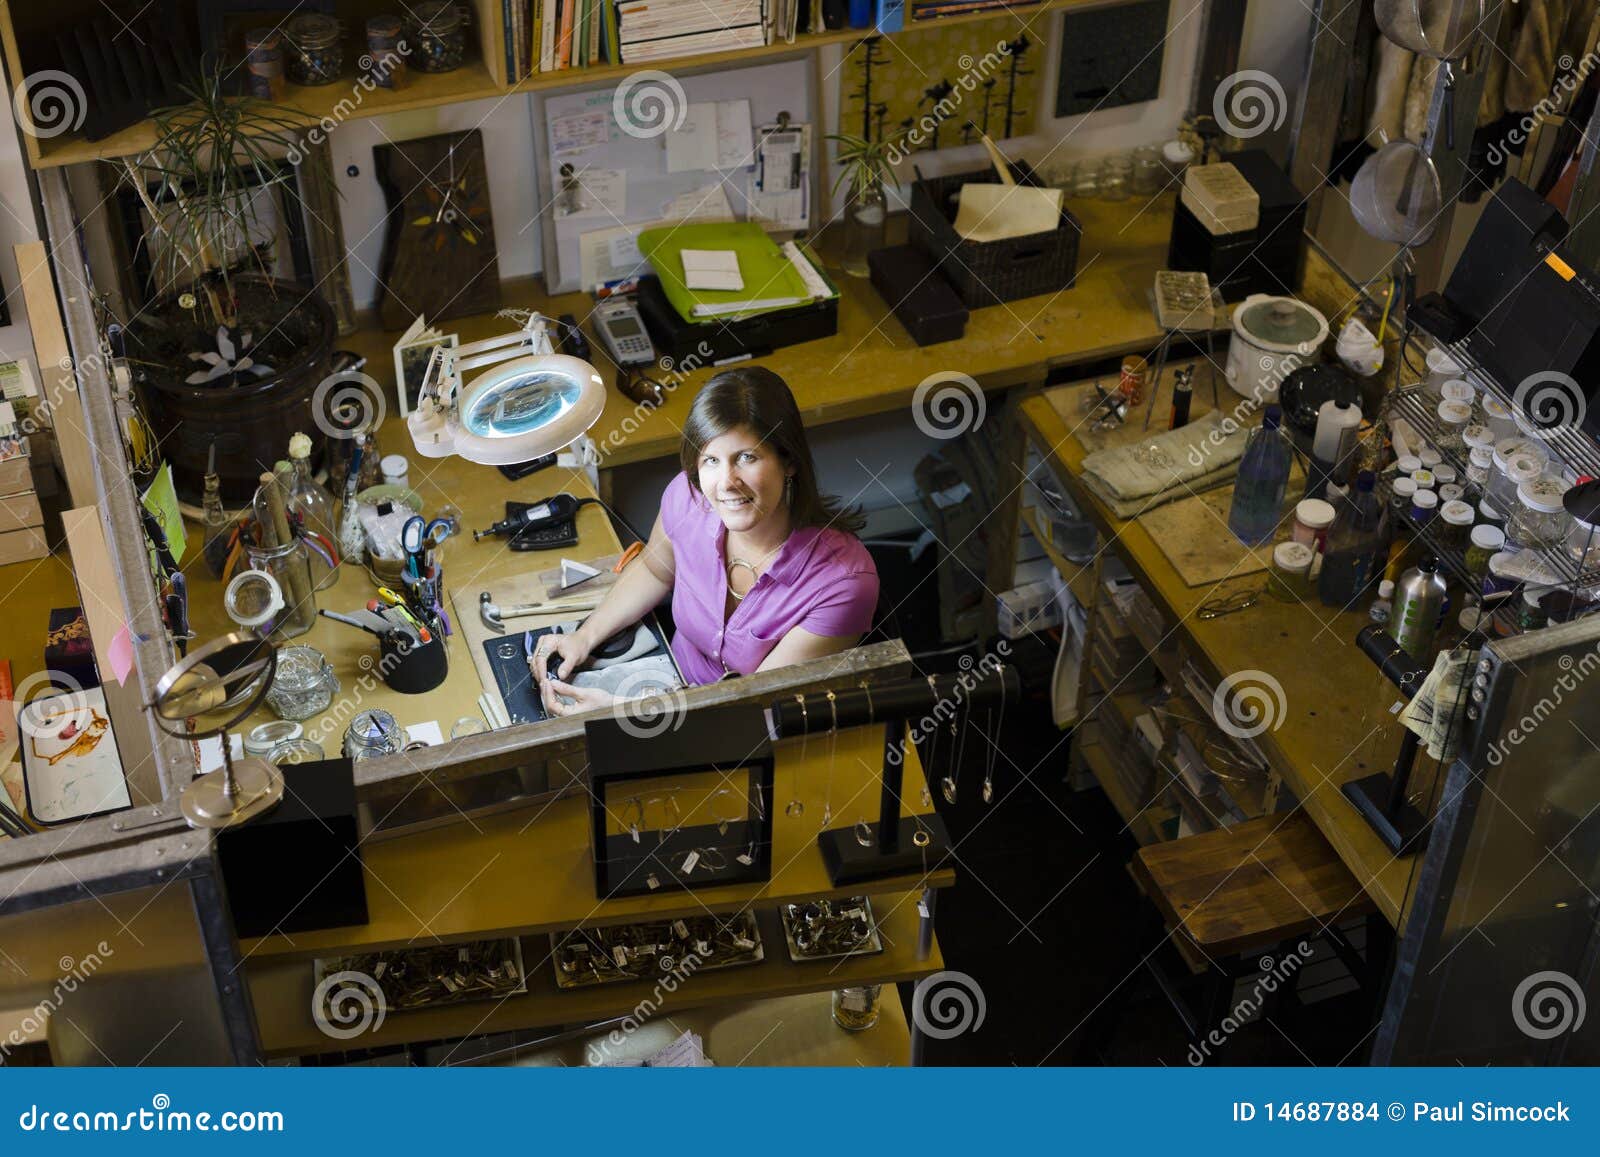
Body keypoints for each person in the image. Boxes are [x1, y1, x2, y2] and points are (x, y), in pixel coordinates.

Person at [534, 367, 879, 715]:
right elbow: (655, 571)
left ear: (788, 460)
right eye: (711, 460)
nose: (727, 482)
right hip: (667, 683)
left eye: (747, 457)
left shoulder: (844, 582)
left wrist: (624, 713)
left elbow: (756, 710)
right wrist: (584, 637)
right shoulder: (687, 497)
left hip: (744, 729)